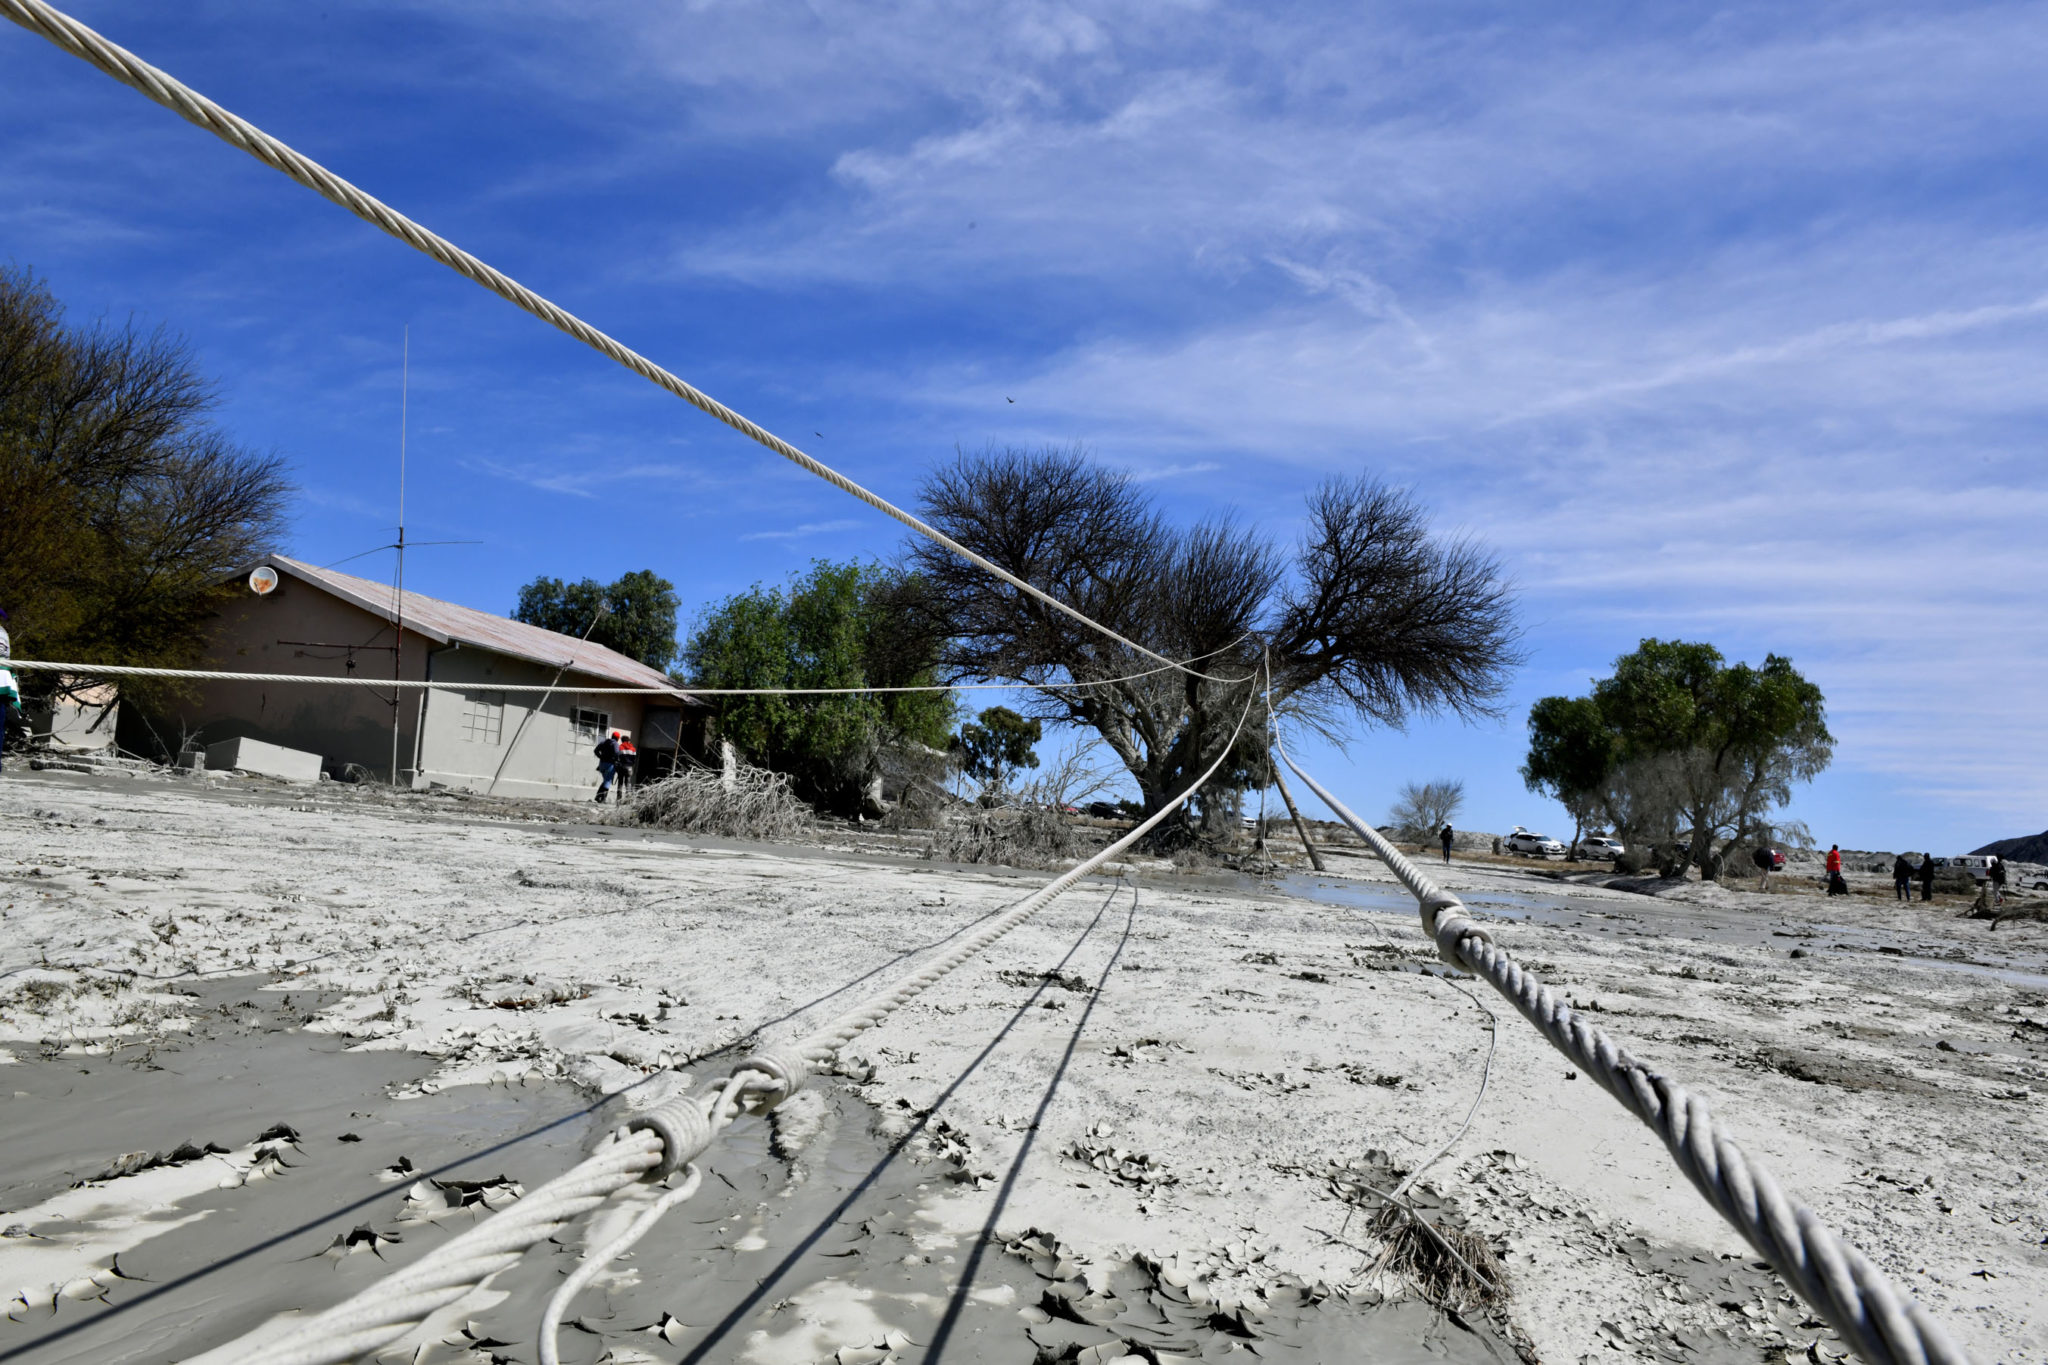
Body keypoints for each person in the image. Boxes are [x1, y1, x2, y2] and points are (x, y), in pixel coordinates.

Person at [592, 729, 620, 803]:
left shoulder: (604, 742)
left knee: (605, 780)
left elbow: (596, 750)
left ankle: (598, 796)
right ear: (617, 738)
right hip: (609, 765)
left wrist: (601, 757)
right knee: (608, 781)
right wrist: (616, 760)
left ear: (612, 736)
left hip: (601, 764)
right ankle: (603, 799)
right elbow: (617, 752)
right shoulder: (615, 743)